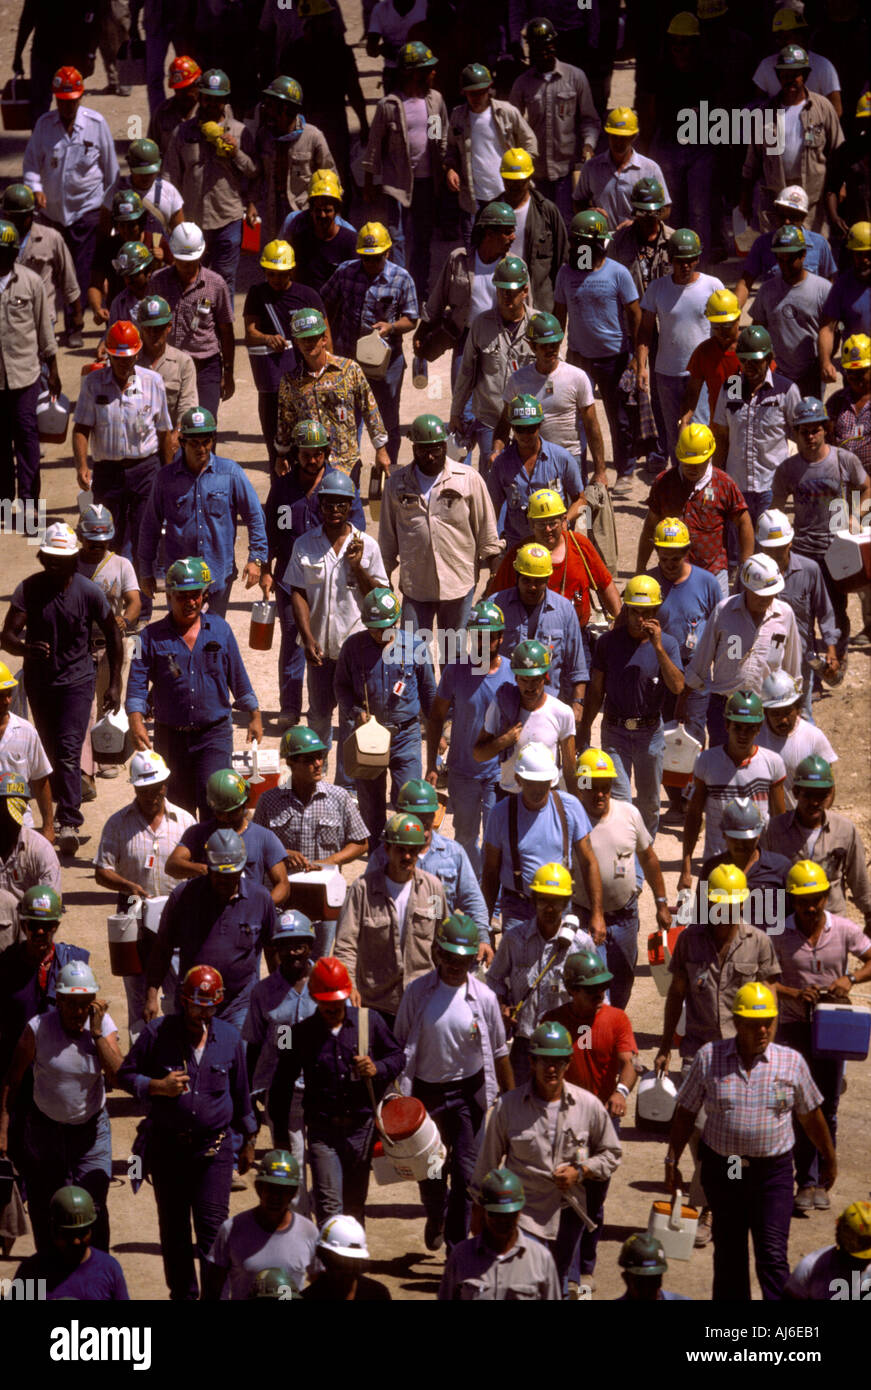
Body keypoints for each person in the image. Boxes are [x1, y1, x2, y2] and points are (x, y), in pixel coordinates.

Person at [666, 982, 835, 1301]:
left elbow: (810, 1115)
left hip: (773, 1173)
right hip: (727, 1168)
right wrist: (671, 1160)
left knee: (772, 1255)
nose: (763, 1030)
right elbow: (685, 1113)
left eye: (769, 1022)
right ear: (737, 1023)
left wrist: (829, 1156)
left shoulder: (791, 1063)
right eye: (754, 1023)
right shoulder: (709, 1058)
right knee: (729, 1255)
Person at [117, 964, 256, 1301]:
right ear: (182, 1002)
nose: (202, 1014)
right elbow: (124, 1075)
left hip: (214, 1152)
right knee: (175, 1234)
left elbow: (241, 1096)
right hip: (168, 1153)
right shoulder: (156, 1034)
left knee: (214, 1234)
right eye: (196, 1006)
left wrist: (249, 1139)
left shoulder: (230, 1038)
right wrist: (156, 1086)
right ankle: (182, 1295)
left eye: (209, 1007)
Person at [471, 1019, 621, 1298]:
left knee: (558, 1280)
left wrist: (582, 1170)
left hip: (568, 1214)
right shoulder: (508, 1107)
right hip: (522, 1214)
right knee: (522, 1283)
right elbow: (487, 1164)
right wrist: (478, 1212)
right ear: (532, 1062)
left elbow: (612, 1153)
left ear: (568, 1064)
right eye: (545, 1061)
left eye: (560, 1062)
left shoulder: (587, 1106)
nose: (552, 1068)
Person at [1, 523, 123, 857]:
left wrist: (115, 683)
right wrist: (26, 650)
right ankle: (54, 812)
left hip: (78, 682)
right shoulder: (30, 589)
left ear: (73, 559)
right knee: (52, 752)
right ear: (43, 558)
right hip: (41, 683)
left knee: (69, 749)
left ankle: (69, 821)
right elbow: (7, 635)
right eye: (50, 558)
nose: (54, 565)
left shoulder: (88, 592)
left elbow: (113, 634)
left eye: (62, 559)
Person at [394, 911, 512, 1251]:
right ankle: (436, 1212)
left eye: (464, 958)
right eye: (449, 956)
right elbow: (399, 1045)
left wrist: (512, 1097)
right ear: (438, 954)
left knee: (467, 1174)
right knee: (431, 1171)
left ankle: (457, 1249)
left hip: (468, 1092)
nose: (456, 964)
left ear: (473, 958)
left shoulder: (485, 998)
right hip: (426, 1095)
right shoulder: (417, 993)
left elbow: (500, 1051)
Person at [268, 955, 404, 1225]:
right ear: (315, 999)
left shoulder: (370, 1021)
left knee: (354, 1207)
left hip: (361, 1133)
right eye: (325, 1003)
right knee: (329, 1206)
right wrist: (282, 1138)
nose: (332, 1009)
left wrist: (378, 1068)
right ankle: (330, 1264)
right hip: (323, 1134)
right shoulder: (298, 1034)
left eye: (337, 1003)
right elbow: (281, 1085)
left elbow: (399, 1056)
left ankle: (351, 1264)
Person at [0, 960, 120, 1255]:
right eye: (70, 1004)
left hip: (91, 1133)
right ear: (59, 1001)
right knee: (47, 1208)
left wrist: (96, 1034)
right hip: (45, 1132)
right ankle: (50, 1278)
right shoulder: (38, 1028)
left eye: (84, 1004)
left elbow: (119, 1074)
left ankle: (96, 1275)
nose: (78, 1012)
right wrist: (3, 1128)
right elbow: (12, 1081)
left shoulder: (103, 1027)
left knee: (93, 1207)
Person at [126, 557, 262, 818]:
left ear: (204, 595)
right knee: (178, 809)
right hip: (170, 738)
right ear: (170, 596)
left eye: (195, 595)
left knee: (217, 802)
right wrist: (136, 721)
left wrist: (254, 714)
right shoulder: (145, 638)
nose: (190, 602)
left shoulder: (221, 630)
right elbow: (136, 686)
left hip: (215, 735)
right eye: (182, 596)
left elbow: (239, 677)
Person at [774, 860, 871, 1215]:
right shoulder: (778, 934)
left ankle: (823, 1177)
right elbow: (767, 980)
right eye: (803, 901)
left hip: (833, 1027)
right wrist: (792, 993)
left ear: (827, 896)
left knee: (828, 1104)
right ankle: (806, 1180)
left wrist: (851, 979)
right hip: (793, 1029)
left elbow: (870, 958)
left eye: (816, 899)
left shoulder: (843, 929)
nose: (811, 907)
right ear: (792, 900)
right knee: (800, 1105)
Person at [264, 420, 365, 729]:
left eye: (317, 454)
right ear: (297, 454)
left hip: (331, 578)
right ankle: (290, 707)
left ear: (326, 453)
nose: (311, 460)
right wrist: (266, 567)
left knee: (338, 637)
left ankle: (342, 702)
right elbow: (271, 531)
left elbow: (357, 529)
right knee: (293, 638)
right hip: (289, 578)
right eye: (305, 454)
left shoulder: (340, 484)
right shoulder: (282, 487)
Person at [288, 471, 387, 784]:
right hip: (319, 649)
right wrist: (306, 638)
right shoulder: (305, 545)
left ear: (350, 506)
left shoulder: (367, 546)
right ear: (320, 505)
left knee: (350, 718)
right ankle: (316, 775)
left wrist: (357, 568)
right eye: (329, 503)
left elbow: (382, 599)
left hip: (354, 652)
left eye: (341, 504)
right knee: (318, 716)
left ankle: (346, 784)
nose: (334, 510)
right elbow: (298, 592)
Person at [72, 320, 173, 617]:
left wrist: (167, 472)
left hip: (146, 469)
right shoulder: (93, 384)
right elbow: (81, 428)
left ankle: (141, 607)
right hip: (108, 472)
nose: (125, 362)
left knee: (146, 538)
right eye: (119, 357)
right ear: (109, 356)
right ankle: (107, 604)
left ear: (137, 354)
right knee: (109, 540)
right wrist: (82, 465)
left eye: (130, 356)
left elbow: (165, 431)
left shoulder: (152, 382)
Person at [94, 749, 194, 1041]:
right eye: (143, 790)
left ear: (165, 786)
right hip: (134, 924)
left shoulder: (185, 821)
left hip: (176, 924)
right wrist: (127, 886)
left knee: (179, 997)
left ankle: (178, 1059)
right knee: (139, 1001)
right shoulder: (118, 823)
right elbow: (102, 870)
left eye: (155, 789)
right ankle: (143, 1065)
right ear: (135, 788)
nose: (150, 796)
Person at [379, 413, 502, 648]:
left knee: (453, 658)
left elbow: (487, 532)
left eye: (436, 448)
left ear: (445, 445)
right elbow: (387, 538)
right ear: (413, 448)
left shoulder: (468, 479)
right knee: (413, 655)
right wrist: (384, 580)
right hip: (416, 587)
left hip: (459, 584)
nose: (430, 455)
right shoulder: (397, 484)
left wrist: (494, 574)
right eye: (423, 449)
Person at [138, 405, 270, 620]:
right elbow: (150, 526)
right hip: (179, 580)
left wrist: (256, 559)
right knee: (181, 638)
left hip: (218, 576)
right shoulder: (165, 479)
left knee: (213, 639)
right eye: (194, 443)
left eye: (206, 442)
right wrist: (145, 571)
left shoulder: (231, 473)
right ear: (182, 443)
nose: (201, 448)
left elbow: (255, 516)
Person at [578, 573, 684, 841]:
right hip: (616, 732)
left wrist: (659, 649)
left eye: (646, 613)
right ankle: (627, 859)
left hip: (650, 734)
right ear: (625, 609)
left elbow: (678, 687)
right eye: (635, 612)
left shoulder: (668, 645)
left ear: (656, 612)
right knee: (622, 800)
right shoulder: (608, 643)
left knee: (649, 804)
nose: (640, 619)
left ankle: (643, 851)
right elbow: (596, 692)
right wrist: (585, 728)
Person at [253, 725, 369, 959]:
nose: (318, 763)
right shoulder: (269, 801)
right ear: (291, 763)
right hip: (282, 897)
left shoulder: (339, 797)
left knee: (319, 963)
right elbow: (256, 845)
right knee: (280, 962)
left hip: (323, 897)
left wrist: (328, 861)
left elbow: (361, 842)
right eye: (309, 758)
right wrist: (282, 853)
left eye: (320, 756)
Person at [143, 828, 276, 1032]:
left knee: (236, 1054)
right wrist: (151, 995)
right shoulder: (184, 897)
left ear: (241, 869)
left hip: (239, 1004)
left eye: (230, 874)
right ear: (208, 867)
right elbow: (163, 948)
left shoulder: (261, 899)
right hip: (192, 1003)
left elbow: (272, 950)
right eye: (218, 873)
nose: (224, 880)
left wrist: (279, 993)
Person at [22, 66, 120, 337]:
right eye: (62, 102)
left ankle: (75, 325)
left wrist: (107, 210)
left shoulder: (96, 125)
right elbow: (31, 165)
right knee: (52, 273)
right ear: (56, 99)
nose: (67, 107)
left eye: (72, 101)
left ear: (81, 97)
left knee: (79, 272)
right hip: (53, 214)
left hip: (87, 211)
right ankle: (49, 324)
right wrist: (35, 188)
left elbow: (112, 172)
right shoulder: (44, 126)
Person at [335, 588, 435, 846]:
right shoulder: (352, 648)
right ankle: (377, 858)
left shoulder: (415, 647)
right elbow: (341, 687)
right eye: (374, 628)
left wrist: (437, 733)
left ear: (397, 621)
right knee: (371, 806)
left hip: (406, 735)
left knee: (409, 800)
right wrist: (355, 713)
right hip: (369, 737)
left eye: (385, 627)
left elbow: (429, 692)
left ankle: (406, 852)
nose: (380, 634)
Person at [772, 396, 868, 664]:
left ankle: (838, 657)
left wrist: (856, 516)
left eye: (816, 429)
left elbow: (867, 487)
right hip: (803, 551)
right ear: (796, 433)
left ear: (826, 429)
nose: (811, 436)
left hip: (837, 551)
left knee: (837, 608)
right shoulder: (788, 470)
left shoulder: (844, 461)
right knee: (801, 608)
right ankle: (804, 662)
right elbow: (775, 509)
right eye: (805, 431)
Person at [572, 749, 672, 1007]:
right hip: (586, 918)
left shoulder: (629, 814)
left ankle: (612, 1033)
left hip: (625, 918)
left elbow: (648, 858)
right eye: (592, 786)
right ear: (581, 785)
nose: (600, 793)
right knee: (595, 988)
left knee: (623, 982)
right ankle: (590, 1043)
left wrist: (661, 903)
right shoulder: (570, 819)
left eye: (605, 786)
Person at [425, 600, 514, 875]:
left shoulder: (512, 674)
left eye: (490, 637)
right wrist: (431, 764)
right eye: (478, 636)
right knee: (464, 837)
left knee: (495, 840)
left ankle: (493, 902)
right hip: (462, 772)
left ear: (501, 637)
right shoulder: (455, 670)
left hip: (498, 774)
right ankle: (472, 889)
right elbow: (436, 716)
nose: (484, 643)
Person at [321, 223, 418, 471]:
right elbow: (323, 304)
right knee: (346, 420)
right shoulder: (345, 273)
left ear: (387, 253)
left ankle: (389, 472)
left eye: (376, 258)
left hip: (387, 364)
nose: (371, 263)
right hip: (349, 360)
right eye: (366, 258)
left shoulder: (401, 278)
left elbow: (412, 318)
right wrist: (328, 344)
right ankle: (347, 473)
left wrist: (392, 327)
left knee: (387, 422)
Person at [481, 743, 604, 939]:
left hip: (560, 905)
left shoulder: (570, 808)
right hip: (518, 907)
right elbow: (490, 871)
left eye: (543, 783)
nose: (538, 790)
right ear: (518, 779)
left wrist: (597, 914)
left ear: (552, 781)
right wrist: (484, 924)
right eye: (531, 783)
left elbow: (589, 862)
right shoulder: (501, 813)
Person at [486, 862, 593, 1085]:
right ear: (533, 900)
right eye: (544, 900)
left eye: (556, 901)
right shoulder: (514, 939)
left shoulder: (582, 944)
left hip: (567, 1043)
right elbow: (494, 979)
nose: (550, 908)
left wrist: (587, 1046)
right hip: (525, 1043)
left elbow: (598, 999)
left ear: (566, 903)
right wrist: (501, 1005)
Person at [680, 553, 802, 748]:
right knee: (723, 767)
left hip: (766, 709)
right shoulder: (723, 611)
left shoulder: (785, 615)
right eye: (760, 595)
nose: (766, 599)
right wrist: (683, 702)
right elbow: (701, 661)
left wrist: (795, 708)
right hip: (724, 709)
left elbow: (792, 668)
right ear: (746, 588)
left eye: (771, 594)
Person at [554, 211, 641, 482]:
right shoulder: (566, 273)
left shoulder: (618, 273)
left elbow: (635, 314)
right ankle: (578, 471)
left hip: (614, 357)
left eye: (583, 245)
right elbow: (559, 313)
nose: (577, 250)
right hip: (578, 358)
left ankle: (625, 471)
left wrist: (637, 356)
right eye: (575, 244)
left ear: (598, 245)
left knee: (620, 418)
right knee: (575, 417)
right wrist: (555, 353)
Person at [334, 814, 447, 1020]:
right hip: (375, 1004)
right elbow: (346, 945)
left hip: (421, 1001)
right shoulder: (363, 890)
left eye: (413, 851)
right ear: (387, 849)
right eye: (400, 850)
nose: (407, 857)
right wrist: (349, 985)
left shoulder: (433, 890)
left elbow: (440, 942)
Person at [163, 68, 259, 307]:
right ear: (199, 97)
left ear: (225, 100)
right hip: (192, 222)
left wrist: (235, 152)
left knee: (225, 279)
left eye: (218, 99)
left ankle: (222, 328)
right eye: (207, 98)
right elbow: (170, 177)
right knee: (193, 278)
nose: (212, 104)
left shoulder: (240, 131)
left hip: (229, 217)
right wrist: (172, 219)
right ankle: (198, 329)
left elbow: (255, 172)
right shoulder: (183, 132)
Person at [363, 41, 447, 300]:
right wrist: (370, 181)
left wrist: (446, 168)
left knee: (422, 240)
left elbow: (438, 138)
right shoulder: (389, 105)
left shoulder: (434, 101)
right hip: (396, 184)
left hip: (425, 183)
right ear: (413, 73)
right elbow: (374, 146)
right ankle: (399, 293)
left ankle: (419, 292)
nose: (433, 73)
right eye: (428, 69)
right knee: (396, 239)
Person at [369, 781, 491, 961]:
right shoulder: (383, 856)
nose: (423, 823)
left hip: (439, 950)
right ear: (401, 815)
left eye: (428, 816)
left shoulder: (453, 854)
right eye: (416, 817)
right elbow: (365, 905)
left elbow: (473, 900)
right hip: (393, 950)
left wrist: (482, 937)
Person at [637, 229, 724, 467]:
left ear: (697, 259)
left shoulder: (712, 286)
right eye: (679, 261)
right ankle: (679, 484)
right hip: (667, 374)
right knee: (675, 433)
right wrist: (641, 366)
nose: (685, 266)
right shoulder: (657, 288)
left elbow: (726, 328)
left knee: (700, 430)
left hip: (701, 374)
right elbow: (645, 331)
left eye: (690, 261)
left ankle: (704, 484)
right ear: (670, 260)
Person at [637, 423, 753, 601]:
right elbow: (651, 526)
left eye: (698, 463)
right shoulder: (664, 483)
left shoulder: (723, 483)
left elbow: (743, 521)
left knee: (719, 621)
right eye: (687, 462)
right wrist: (640, 568)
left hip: (713, 572)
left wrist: (746, 566)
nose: (692, 468)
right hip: (673, 573)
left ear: (709, 457)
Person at [487, 489, 620, 644]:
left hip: (575, 636)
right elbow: (495, 601)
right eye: (541, 524)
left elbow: (605, 585)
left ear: (563, 520)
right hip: (531, 639)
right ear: (530, 523)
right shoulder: (519, 554)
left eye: (553, 523)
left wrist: (620, 622)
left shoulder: (580, 545)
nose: (548, 529)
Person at [275, 308, 390, 487]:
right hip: (310, 467)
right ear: (296, 342)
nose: (308, 343)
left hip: (346, 466)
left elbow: (370, 409)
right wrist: (281, 455)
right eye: (303, 339)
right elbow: (285, 421)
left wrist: (381, 450)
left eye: (313, 338)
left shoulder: (349, 370)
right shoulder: (290, 381)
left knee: (348, 514)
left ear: (324, 339)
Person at [680, 690, 787, 882]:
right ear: (727, 725)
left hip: (760, 868)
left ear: (759, 728)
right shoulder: (706, 761)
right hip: (718, 866)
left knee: (768, 912)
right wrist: (686, 868)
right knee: (711, 913)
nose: (743, 735)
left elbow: (780, 819)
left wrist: (781, 864)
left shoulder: (773, 763)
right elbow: (694, 815)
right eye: (738, 727)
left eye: (750, 728)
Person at [492, 315, 608, 488]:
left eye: (555, 344)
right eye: (545, 345)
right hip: (529, 458)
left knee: (578, 509)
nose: (551, 350)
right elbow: (504, 422)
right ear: (532, 346)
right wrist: (496, 452)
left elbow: (592, 426)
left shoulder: (577, 377)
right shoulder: (518, 380)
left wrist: (600, 471)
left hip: (570, 457)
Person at [740, 43, 844, 236]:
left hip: (813, 201)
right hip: (775, 201)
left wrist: (840, 186)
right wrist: (745, 198)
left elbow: (838, 151)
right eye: (785, 75)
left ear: (805, 75)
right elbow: (751, 162)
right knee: (778, 256)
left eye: (795, 75)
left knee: (812, 251)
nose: (790, 80)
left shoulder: (822, 108)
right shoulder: (764, 114)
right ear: (778, 76)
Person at [242, 240, 326, 470]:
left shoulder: (308, 295)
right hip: (272, 384)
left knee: (308, 444)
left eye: (282, 274)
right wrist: (267, 338)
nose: (276, 280)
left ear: (292, 271)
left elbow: (325, 334)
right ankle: (280, 502)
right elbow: (250, 331)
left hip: (305, 381)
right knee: (277, 448)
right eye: (271, 275)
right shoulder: (257, 294)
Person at [242, 911, 317, 1170]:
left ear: (311, 946)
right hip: (282, 1093)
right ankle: (298, 1211)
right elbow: (254, 1044)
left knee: (324, 1166)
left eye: (299, 945)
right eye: (285, 946)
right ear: (275, 949)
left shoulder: (327, 982)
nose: (293, 952)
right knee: (291, 1166)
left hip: (323, 1089)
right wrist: (249, 1097)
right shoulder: (263, 992)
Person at [763, 756, 871, 932]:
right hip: (789, 928)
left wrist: (869, 913)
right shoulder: (774, 831)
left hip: (832, 927)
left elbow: (858, 879)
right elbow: (764, 879)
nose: (814, 802)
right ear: (796, 792)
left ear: (830, 794)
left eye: (821, 796)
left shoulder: (844, 830)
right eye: (808, 795)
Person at [76, 503, 140, 794]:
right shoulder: (71, 564)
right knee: (84, 707)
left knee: (110, 701)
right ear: (81, 537)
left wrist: (124, 621)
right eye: (92, 541)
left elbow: (134, 601)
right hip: (79, 646)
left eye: (102, 541)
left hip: (112, 644)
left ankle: (107, 756)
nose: (97, 546)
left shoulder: (121, 564)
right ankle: (84, 769)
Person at [450, 256, 536, 472]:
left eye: (513, 291)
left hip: (529, 420)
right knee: (491, 479)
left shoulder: (538, 324)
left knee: (529, 475)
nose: (507, 296)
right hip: (491, 417)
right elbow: (467, 371)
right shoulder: (480, 325)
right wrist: (455, 411)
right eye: (501, 290)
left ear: (525, 291)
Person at [165, 768, 289, 911]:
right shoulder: (198, 833)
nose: (225, 818)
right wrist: (206, 870)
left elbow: (283, 884)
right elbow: (172, 865)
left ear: (245, 803)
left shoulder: (264, 837)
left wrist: (259, 908)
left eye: (232, 812)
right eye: (220, 812)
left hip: (247, 919)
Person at [146, 221, 235, 420]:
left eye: (191, 261)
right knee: (167, 426)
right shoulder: (157, 282)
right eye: (182, 261)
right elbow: (146, 325)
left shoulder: (216, 284)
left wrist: (227, 373)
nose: (187, 267)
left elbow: (227, 332)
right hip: (168, 365)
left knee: (203, 425)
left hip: (206, 367)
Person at [755, 507, 841, 712]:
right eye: (769, 549)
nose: (775, 554)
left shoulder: (809, 570)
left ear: (790, 542)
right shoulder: (752, 573)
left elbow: (824, 611)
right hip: (762, 659)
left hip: (800, 658)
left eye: (780, 547)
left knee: (801, 714)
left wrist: (831, 649)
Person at [0, 219, 61, 505]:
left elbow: (44, 329)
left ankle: (27, 507)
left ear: (15, 252)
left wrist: (54, 371)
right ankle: (3, 507)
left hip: (25, 377)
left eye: (8, 251)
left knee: (28, 444)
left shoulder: (31, 282)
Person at [0, 887, 88, 1085]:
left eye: (46, 926)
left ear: (55, 926)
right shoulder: (6, 965)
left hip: (59, 1070)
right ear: (23, 926)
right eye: (34, 925)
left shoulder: (73, 963)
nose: (40, 932)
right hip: (16, 1070)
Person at [490, 543, 589, 717]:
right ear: (517, 577)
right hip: (502, 708)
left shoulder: (564, 610)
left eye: (539, 581)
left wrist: (578, 704)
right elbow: (480, 662)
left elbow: (577, 666)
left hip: (548, 709)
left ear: (548, 580)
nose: (532, 587)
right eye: (526, 580)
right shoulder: (496, 606)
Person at [648, 516, 720, 753]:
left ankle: (695, 785)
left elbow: (721, 628)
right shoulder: (648, 582)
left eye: (676, 558)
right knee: (660, 735)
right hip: (658, 668)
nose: (669, 564)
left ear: (688, 551)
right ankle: (670, 788)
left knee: (693, 735)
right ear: (656, 551)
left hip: (695, 669)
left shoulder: (707, 582)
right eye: (664, 558)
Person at [508, 35, 598, 227]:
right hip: (536, 172)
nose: (543, 55)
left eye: (547, 49)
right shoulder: (522, 83)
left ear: (554, 48)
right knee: (539, 225)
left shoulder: (575, 77)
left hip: (566, 170)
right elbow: (511, 126)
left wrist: (588, 145)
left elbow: (589, 120)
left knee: (566, 224)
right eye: (537, 50)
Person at [203, 1150, 318, 1298]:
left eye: (283, 1190)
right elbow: (213, 1287)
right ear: (258, 1188)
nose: (275, 1197)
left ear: (294, 1193)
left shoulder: (308, 1232)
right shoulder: (232, 1229)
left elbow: (319, 1285)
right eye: (270, 1188)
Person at [446, 65, 538, 249]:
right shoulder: (457, 116)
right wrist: (450, 169)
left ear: (489, 89)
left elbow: (530, 143)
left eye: (481, 92)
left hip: (505, 193)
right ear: (464, 93)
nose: (477, 98)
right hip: (473, 199)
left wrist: (520, 171)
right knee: (474, 251)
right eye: (472, 93)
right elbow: (450, 149)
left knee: (510, 248)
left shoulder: (507, 112)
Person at [475, 638, 578, 798]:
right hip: (510, 795)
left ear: (545, 677)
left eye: (536, 680)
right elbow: (478, 754)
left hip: (547, 796)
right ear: (515, 678)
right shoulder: (501, 706)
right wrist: (503, 741)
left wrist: (575, 807)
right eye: (524, 680)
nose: (530, 687)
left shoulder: (562, 713)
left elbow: (570, 769)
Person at [438, 1168, 561, 1300]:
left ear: (520, 1211)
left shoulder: (541, 1259)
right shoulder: (461, 1256)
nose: (502, 1220)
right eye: (495, 1214)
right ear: (483, 1211)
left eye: (509, 1215)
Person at [750, 227, 832, 398]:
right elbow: (757, 330)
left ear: (803, 255)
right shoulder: (767, 290)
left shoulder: (823, 289)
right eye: (780, 259)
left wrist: (825, 362)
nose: (785, 265)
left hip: (811, 375)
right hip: (777, 373)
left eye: (790, 259)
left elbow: (831, 330)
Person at [8, 1186, 129, 1301]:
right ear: (53, 1230)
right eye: (68, 1234)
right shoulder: (31, 1272)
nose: (76, 1241)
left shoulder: (108, 1269)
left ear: (91, 1230)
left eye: (82, 1233)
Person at [255, 76, 337, 240]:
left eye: (270, 105)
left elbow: (331, 180)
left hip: (303, 212)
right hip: (272, 211)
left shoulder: (313, 137)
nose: (265, 109)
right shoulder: (264, 135)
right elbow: (256, 176)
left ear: (285, 108)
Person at [696, 797, 792, 934]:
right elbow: (701, 918)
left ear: (759, 834)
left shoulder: (780, 867)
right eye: (735, 839)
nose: (741, 845)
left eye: (747, 840)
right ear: (723, 834)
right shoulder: (711, 869)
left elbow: (792, 918)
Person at [735, 184, 837, 307]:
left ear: (804, 217)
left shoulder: (819, 244)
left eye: (793, 216)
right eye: (782, 215)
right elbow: (745, 283)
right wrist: (734, 313)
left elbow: (830, 283)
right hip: (774, 317)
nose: (787, 221)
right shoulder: (762, 244)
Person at [1, 183, 82, 339]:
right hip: (7, 316)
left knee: (42, 359)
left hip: (41, 317)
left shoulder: (51, 238)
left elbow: (68, 278)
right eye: (9, 217)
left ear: (30, 215)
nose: (14, 222)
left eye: (19, 218)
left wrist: (76, 313)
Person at [574, 106, 670, 231]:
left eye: (624, 138)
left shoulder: (650, 169)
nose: (618, 142)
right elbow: (578, 201)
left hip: (638, 240)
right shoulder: (591, 168)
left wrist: (640, 222)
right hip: (604, 239)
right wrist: (589, 212)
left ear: (633, 136)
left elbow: (666, 209)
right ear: (608, 134)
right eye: (614, 136)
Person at [497, 147, 568, 314]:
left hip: (539, 304)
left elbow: (562, 261)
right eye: (510, 180)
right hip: (501, 301)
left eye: (520, 181)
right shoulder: (490, 213)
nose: (515, 186)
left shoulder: (548, 212)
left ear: (529, 178)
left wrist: (560, 308)